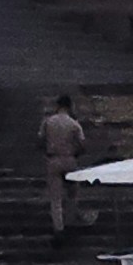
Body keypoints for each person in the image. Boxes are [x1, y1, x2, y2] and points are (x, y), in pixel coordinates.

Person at [38, 94, 90, 238]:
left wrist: (47, 151)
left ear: (58, 106)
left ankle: (59, 228)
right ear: (70, 106)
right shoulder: (74, 124)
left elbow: (40, 140)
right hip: (69, 159)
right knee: (72, 193)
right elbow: (82, 145)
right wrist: (75, 153)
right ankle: (71, 221)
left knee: (55, 198)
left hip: (53, 159)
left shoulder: (48, 122)